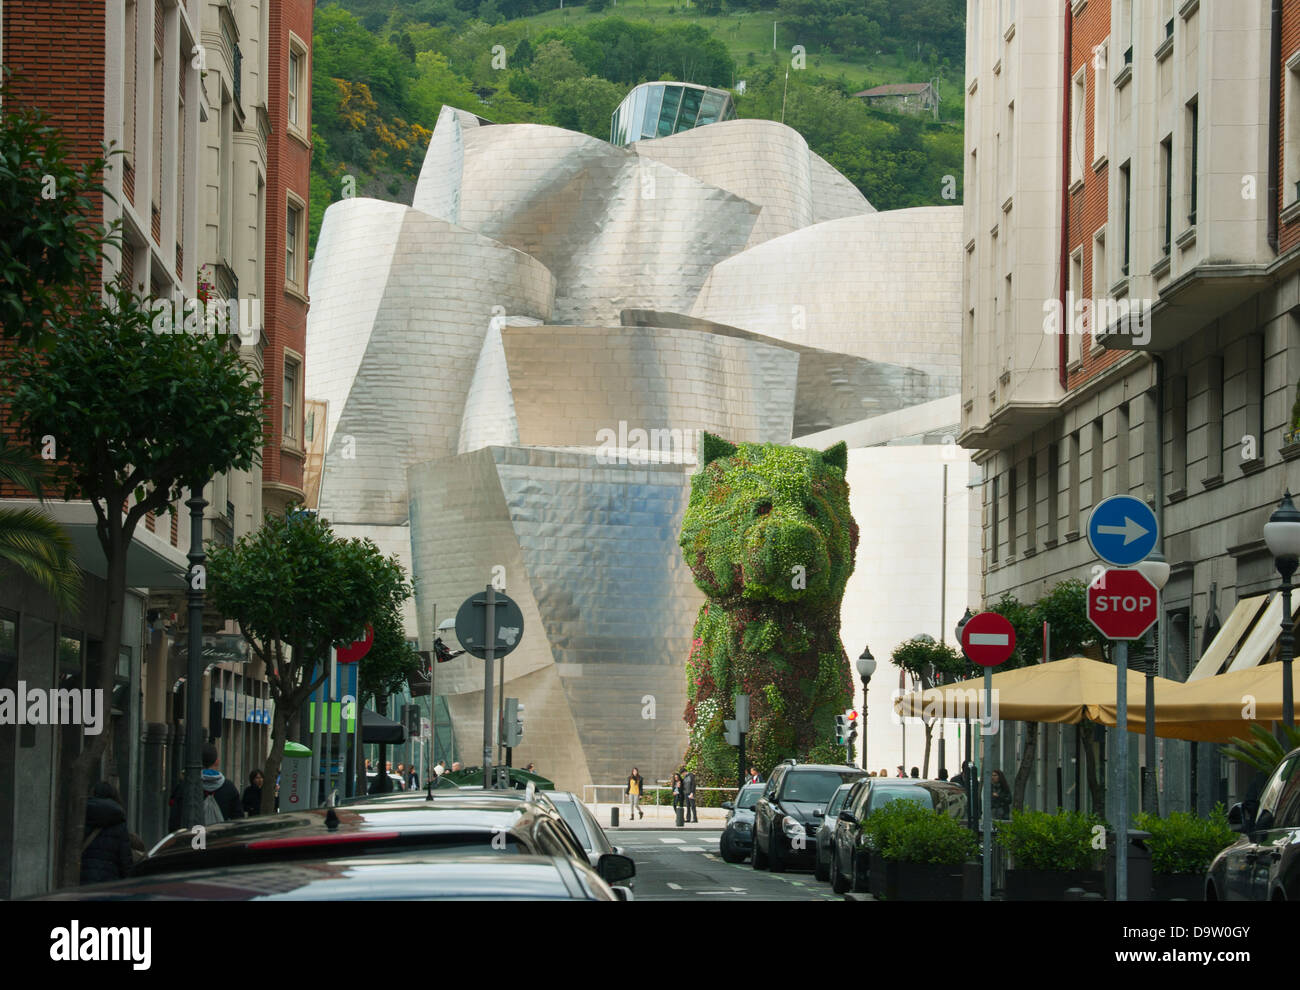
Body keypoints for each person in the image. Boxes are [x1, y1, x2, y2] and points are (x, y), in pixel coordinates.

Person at [169, 742, 244, 830]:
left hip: (192, 840)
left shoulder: (185, 787)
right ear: (217, 762)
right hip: (219, 839)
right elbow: (238, 820)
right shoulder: (229, 787)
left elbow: (174, 820)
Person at [81, 781, 134, 885]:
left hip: (83, 879)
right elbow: (125, 860)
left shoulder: (83, 816)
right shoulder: (118, 821)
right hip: (109, 883)